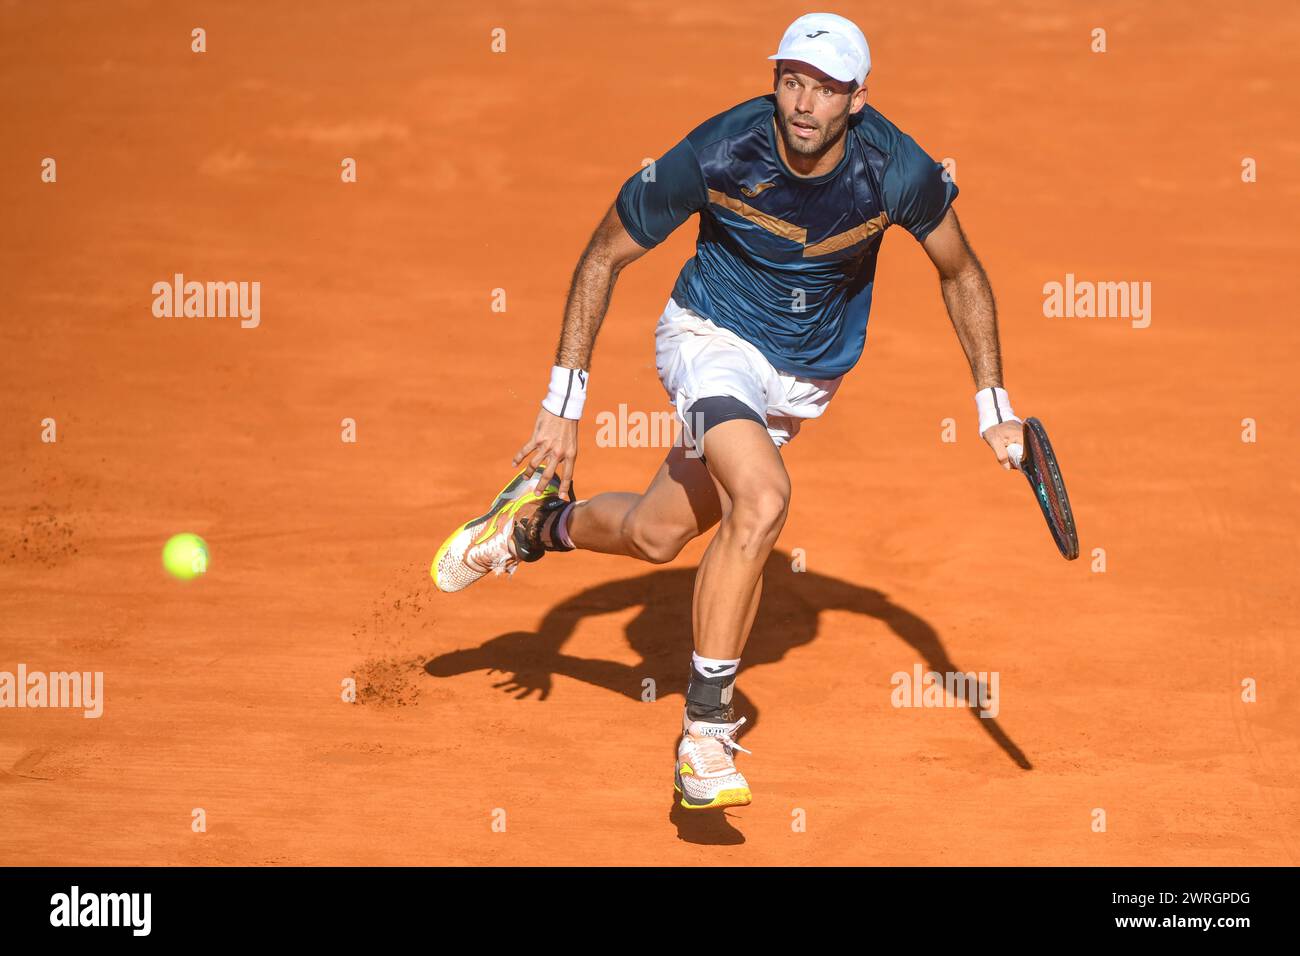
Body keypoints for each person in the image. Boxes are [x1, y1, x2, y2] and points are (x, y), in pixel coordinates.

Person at [433, 12, 1025, 811]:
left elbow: (961, 272)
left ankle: (532, 525)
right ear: (774, 79)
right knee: (764, 496)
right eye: (792, 81)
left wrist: (994, 404)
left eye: (826, 88)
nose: (804, 103)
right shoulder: (719, 150)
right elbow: (605, 252)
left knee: (657, 534)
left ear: (858, 98)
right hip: (710, 338)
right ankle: (705, 734)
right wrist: (562, 404)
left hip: (804, 380)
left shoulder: (899, 172)